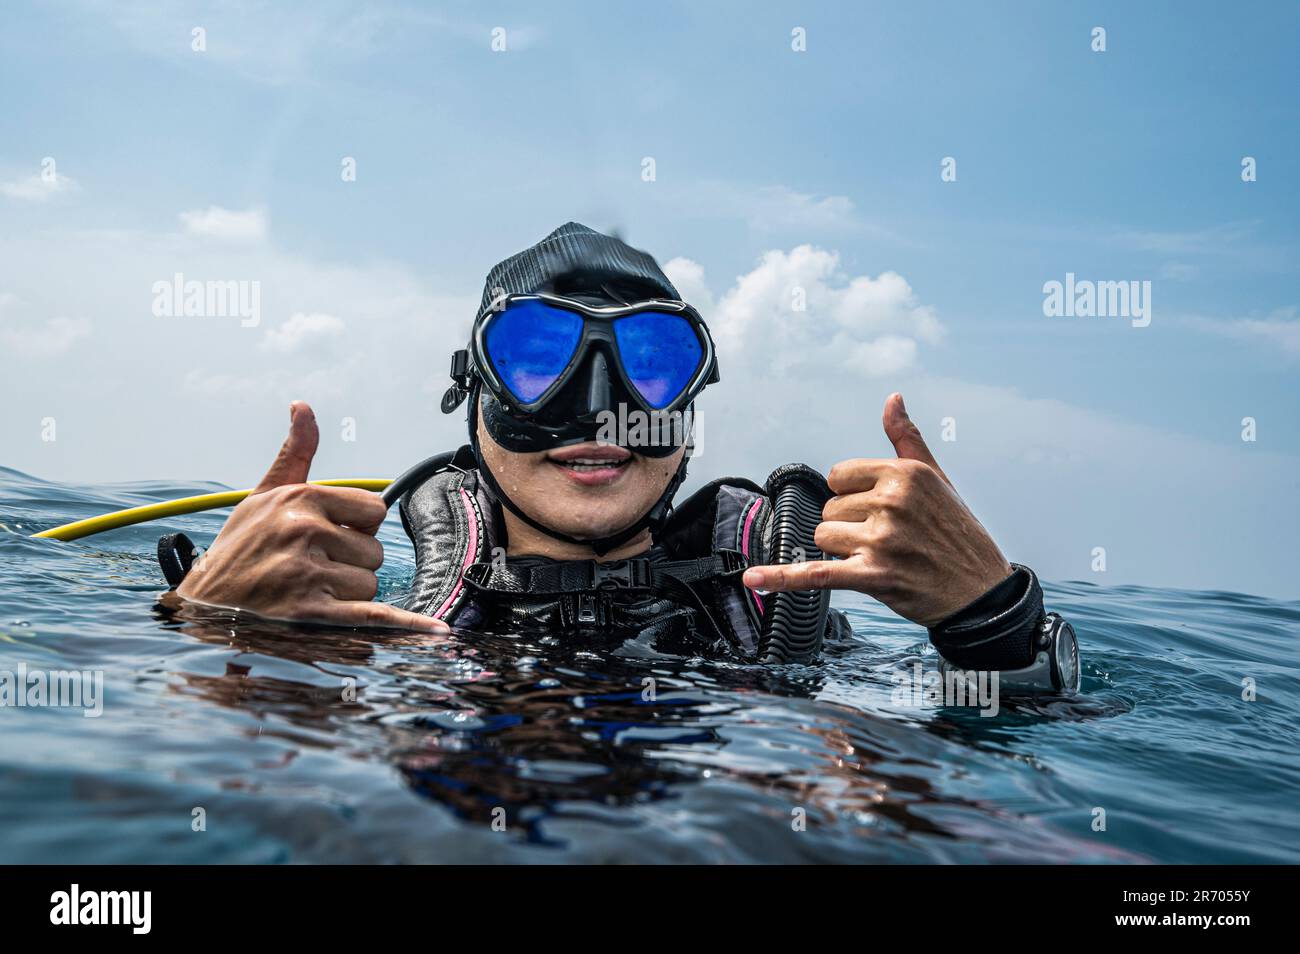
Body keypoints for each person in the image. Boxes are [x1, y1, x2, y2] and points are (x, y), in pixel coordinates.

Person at [166, 223, 1078, 692]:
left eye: (651, 361)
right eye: (535, 355)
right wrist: (210, 627)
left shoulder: (774, 626)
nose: (598, 409)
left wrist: (990, 624)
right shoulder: (361, 623)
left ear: (690, 406)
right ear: (473, 392)